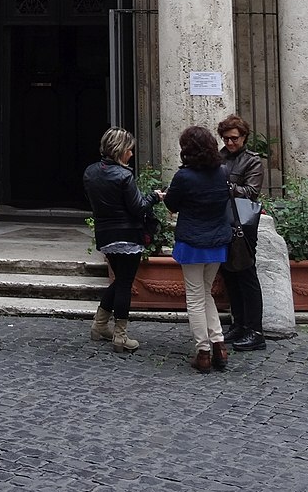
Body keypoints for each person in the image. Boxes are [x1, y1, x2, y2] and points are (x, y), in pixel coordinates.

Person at [82, 126, 161, 353]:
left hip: (106, 234)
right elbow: (138, 208)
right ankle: (120, 335)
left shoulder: (90, 172)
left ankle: (99, 325)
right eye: (130, 149)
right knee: (125, 283)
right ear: (120, 150)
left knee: (119, 280)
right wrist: (154, 196)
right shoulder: (124, 175)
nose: (132, 154)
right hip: (128, 235)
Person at [165, 126, 234, 373]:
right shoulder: (222, 172)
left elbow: (172, 203)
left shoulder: (184, 177)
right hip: (217, 240)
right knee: (206, 293)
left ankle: (203, 351)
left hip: (193, 242)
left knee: (195, 297)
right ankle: (219, 345)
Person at [217, 114, 266, 352]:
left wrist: (226, 187)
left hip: (243, 224)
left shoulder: (252, 161)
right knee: (229, 274)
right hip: (223, 220)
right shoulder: (219, 157)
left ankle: (255, 330)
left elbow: (251, 191)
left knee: (246, 274)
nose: (230, 143)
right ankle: (238, 324)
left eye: (234, 138)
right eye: (226, 139)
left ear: (244, 137)